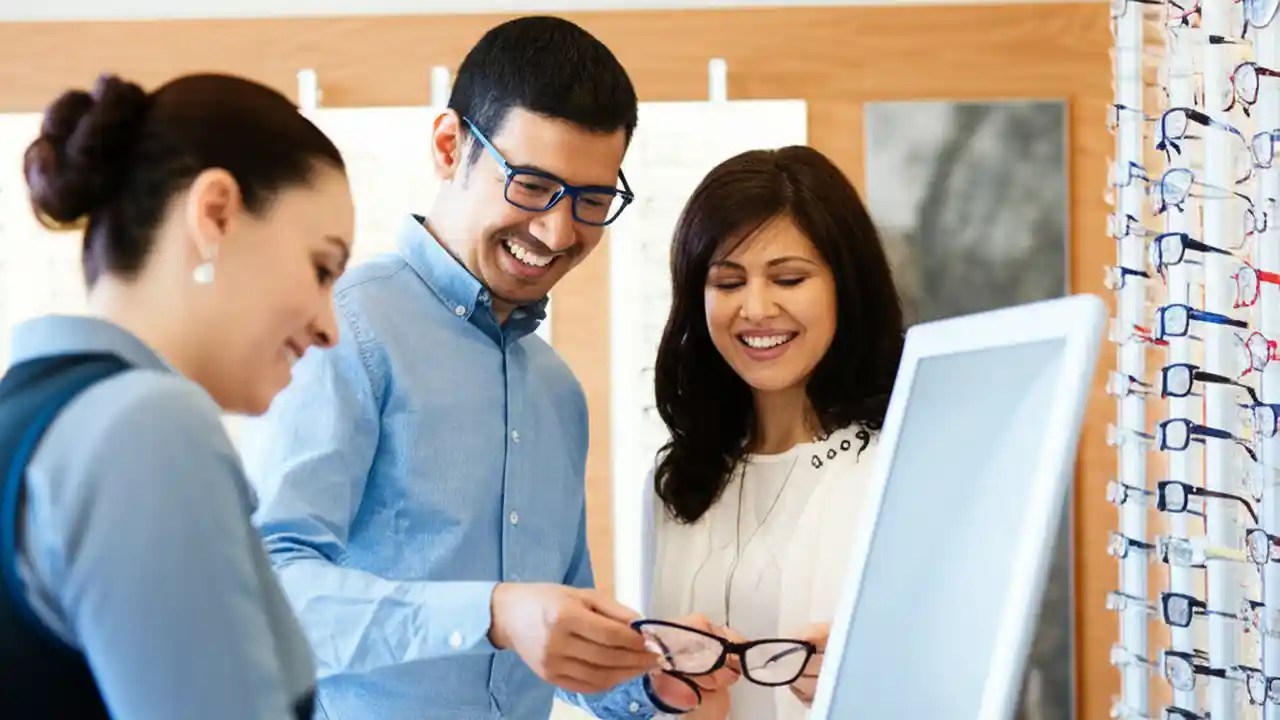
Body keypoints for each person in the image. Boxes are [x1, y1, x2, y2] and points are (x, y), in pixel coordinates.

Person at [239, 15, 705, 719]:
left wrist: (653, 680)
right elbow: (267, 593)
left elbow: (563, 645)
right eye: (531, 184)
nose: (557, 231)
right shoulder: (344, 331)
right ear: (450, 145)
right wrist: (491, 613)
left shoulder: (557, 392)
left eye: (592, 200)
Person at [0, 72, 355, 718]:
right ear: (215, 211)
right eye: (322, 268)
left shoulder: (30, 419)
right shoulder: (146, 429)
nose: (331, 328)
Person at [635, 146, 905, 720]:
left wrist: (869, 683)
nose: (755, 309)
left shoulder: (899, 467)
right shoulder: (678, 479)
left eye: (788, 278)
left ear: (845, 286)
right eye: (728, 282)